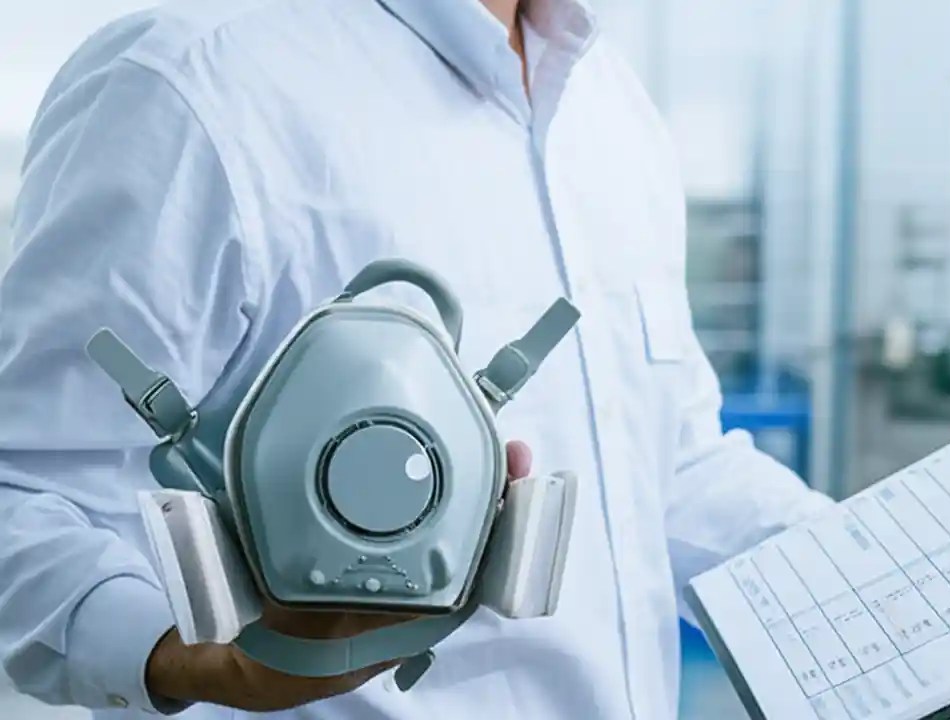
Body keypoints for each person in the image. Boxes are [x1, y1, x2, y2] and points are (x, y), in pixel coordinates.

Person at [0, 0, 833, 717]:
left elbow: (671, 468)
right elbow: (25, 491)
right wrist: (192, 661)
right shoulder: (193, 82)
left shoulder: (611, 105)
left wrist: (877, 570)